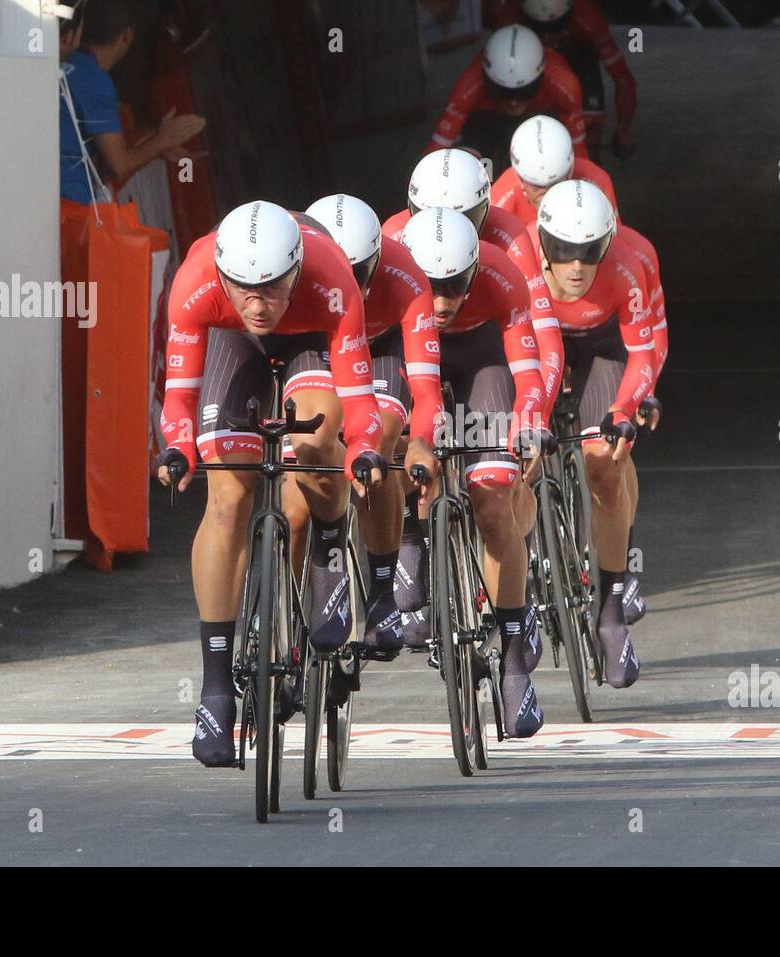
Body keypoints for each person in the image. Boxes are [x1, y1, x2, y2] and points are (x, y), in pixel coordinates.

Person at [157, 201, 389, 767]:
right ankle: (215, 686)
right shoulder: (194, 282)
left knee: (313, 450)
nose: (259, 305)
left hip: (310, 337)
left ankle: (329, 547)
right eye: (243, 290)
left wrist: (360, 450)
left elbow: (359, 397)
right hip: (231, 343)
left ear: (297, 270)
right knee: (229, 494)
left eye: (272, 289)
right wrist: (180, 447)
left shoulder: (331, 279)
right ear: (221, 275)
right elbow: (180, 395)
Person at [383, 149, 565, 636]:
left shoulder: (507, 243)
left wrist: (533, 421)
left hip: (484, 348)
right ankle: (409, 530)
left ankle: (510, 602)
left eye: (464, 218)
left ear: (485, 212)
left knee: (494, 494)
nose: (446, 228)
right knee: (393, 431)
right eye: (432, 218)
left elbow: (542, 342)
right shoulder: (393, 238)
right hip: (412, 344)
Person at [400, 207, 554, 738]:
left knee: (493, 496)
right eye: (431, 289)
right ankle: (412, 540)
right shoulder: (397, 268)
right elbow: (407, 391)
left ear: (474, 271)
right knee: (409, 453)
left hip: (484, 358)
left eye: (455, 287)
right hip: (414, 356)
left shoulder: (502, 274)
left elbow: (528, 373)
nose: (442, 303)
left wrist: (527, 426)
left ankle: (513, 663)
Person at [285, 194, 443, 652]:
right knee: (301, 470)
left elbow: (427, 388)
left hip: (381, 345)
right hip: (317, 339)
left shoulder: (407, 278)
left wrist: (423, 442)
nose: (349, 288)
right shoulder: (306, 275)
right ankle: (284, 620)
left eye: (360, 274)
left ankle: (380, 596)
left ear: (378, 258)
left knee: (382, 442)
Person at [525, 180, 656, 688]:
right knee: (518, 451)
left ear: (606, 246)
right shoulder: (523, 271)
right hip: (541, 343)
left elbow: (642, 353)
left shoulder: (626, 268)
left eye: (588, 253)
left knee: (603, 460)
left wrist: (624, 408)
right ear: (543, 247)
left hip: (603, 347)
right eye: (562, 253)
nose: (576, 267)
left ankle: (610, 613)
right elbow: (526, 356)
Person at [59, 0, 205, 204]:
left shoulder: (70, 62)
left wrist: (156, 142)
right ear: (127, 35)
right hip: (68, 204)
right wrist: (163, 139)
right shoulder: (95, 80)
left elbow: (106, 147)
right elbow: (119, 167)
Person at [601, 220, 668, 626]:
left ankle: (623, 566)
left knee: (612, 456)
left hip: (609, 342)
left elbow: (651, 336)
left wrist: (643, 392)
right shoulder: (519, 248)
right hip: (550, 343)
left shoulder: (633, 257)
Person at [485, 0, 637, 162]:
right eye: (537, 27)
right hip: (531, 71)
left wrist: (623, 129)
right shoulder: (508, 17)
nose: (547, 36)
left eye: (554, 27)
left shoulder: (589, 18)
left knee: (589, 134)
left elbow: (622, 78)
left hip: (577, 60)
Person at [426, 24, 587, 163]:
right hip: (487, 120)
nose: (513, 102)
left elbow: (579, 152)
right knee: (469, 159)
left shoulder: (566, 85)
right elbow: (436, 149)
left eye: (524, 92)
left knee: (556, 156)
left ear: (541, 77)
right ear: (486, 79)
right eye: (502, 92)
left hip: (542, 119)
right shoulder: (467, 88)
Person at [491, 114, 617, 227]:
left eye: (555, 184)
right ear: (520, 178)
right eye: (537, 186)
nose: (547, 194)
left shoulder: (597, 182)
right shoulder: (500, 198)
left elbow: (614, 240)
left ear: (570, 172)